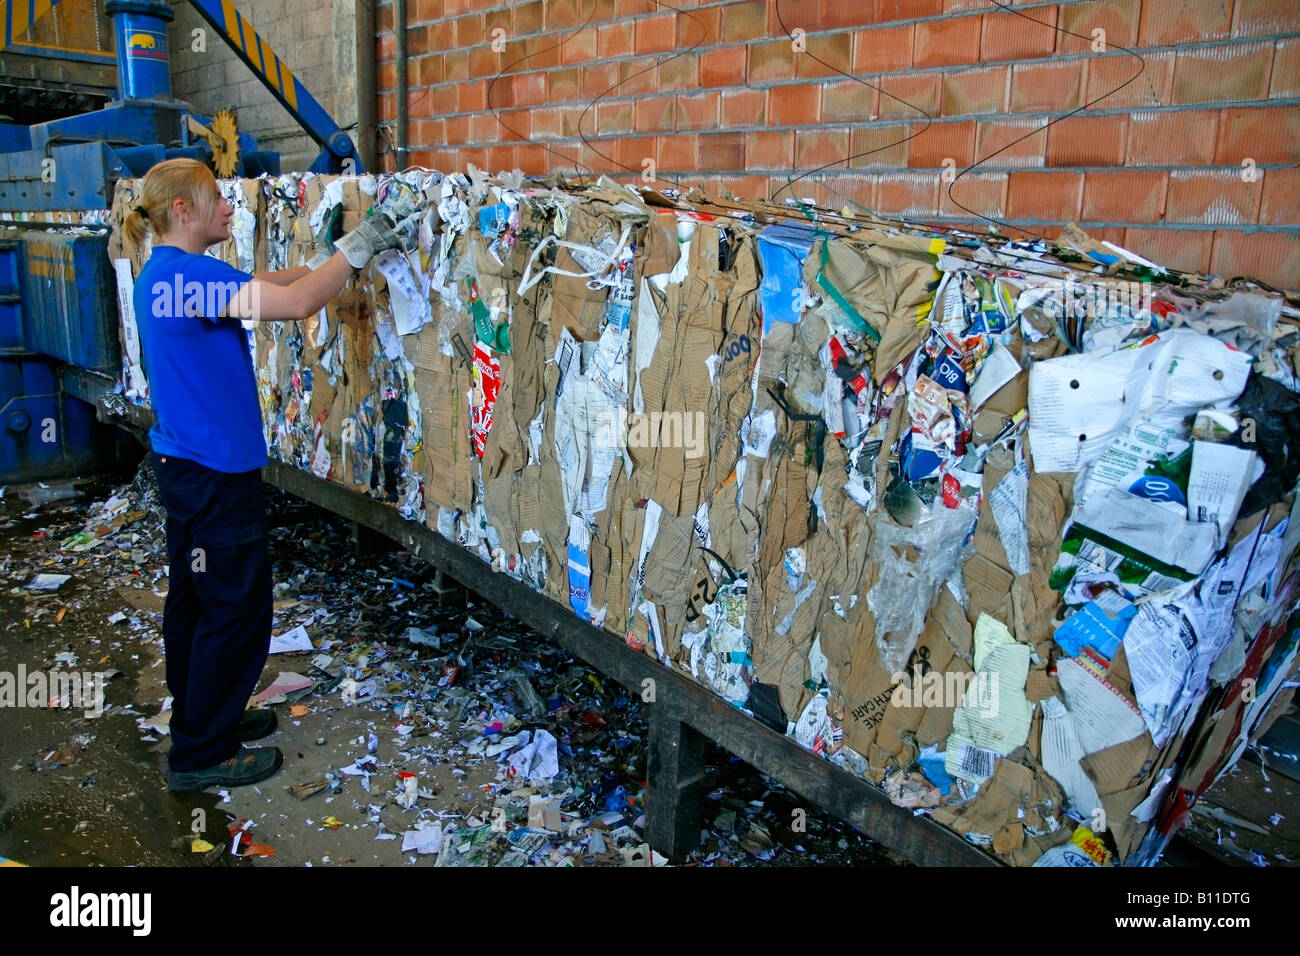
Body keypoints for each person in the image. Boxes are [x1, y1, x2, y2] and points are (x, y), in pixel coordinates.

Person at [124, 158, 408, 791]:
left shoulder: (168, 275)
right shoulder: (191, 277)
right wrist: (361, 249)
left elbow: (274, 283)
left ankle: (203, 714)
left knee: (195, 602)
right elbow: (297, 303)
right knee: (234, 609)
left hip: (187, 468)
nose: (229, 207)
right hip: (213, 473)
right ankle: (202, 753)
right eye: (216, 199)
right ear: (183, 211)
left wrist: (337, 256)